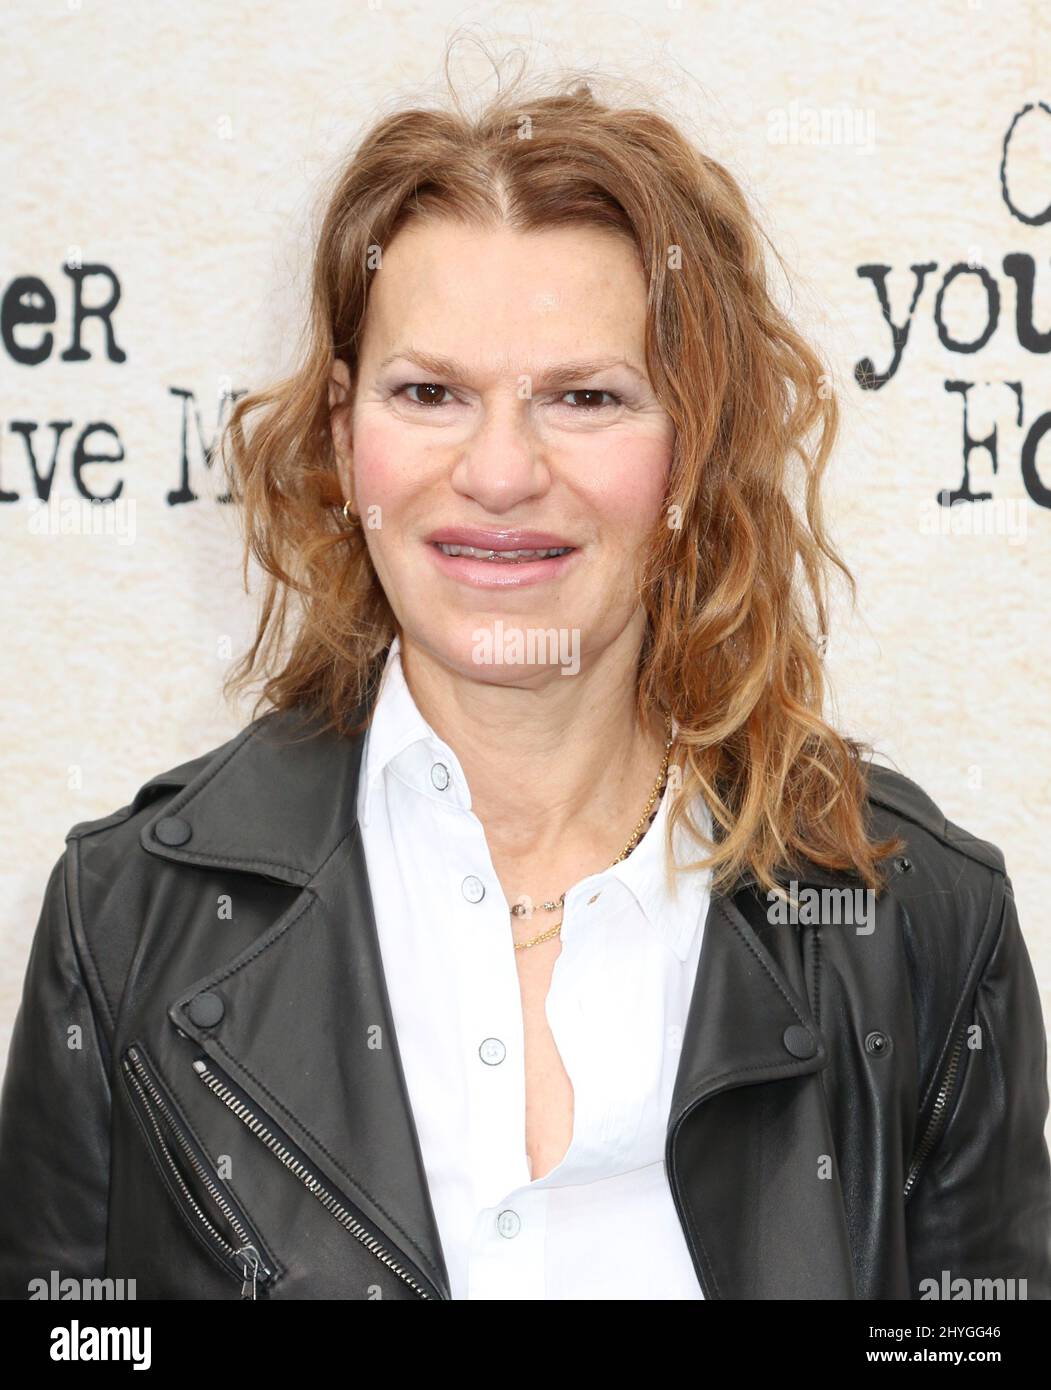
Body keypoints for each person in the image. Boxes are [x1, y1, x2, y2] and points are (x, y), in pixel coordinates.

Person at [1, 62, 1048, 1302]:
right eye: (428, 393)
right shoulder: (125, 921)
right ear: (343, 438)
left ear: (691, 455)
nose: (500, 471)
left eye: (586, 397)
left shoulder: (912, 918)